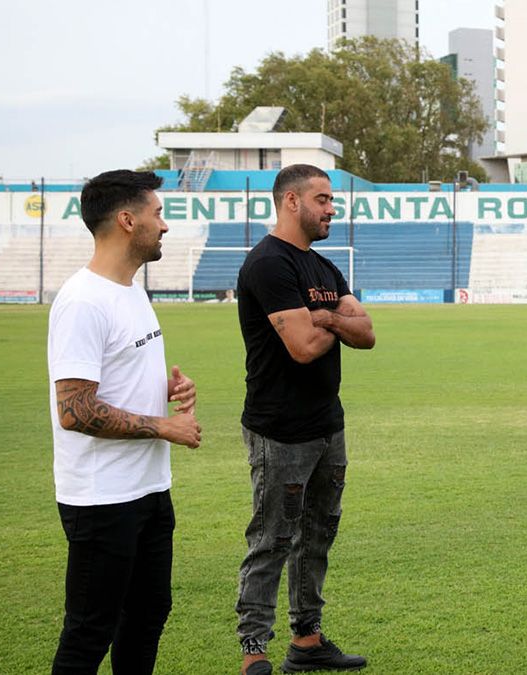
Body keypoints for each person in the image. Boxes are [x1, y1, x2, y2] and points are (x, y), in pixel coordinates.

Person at [47, 169, 202, 674]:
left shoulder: (131, 290)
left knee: (148, 613)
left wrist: (168, 391)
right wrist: (164, 427)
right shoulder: (82, 301)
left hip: (149, 488)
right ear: (127, 220)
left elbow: (116, 381)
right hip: (101, 498)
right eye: (158, 214)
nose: (165, 225)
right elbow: (75, 410)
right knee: (90, 631)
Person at [234, 164, 375, 675]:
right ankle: (254, 651)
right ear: (291, 201)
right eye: (323, 199)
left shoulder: (325, 268)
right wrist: (338, 323)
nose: (332, 209)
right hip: (280, 430)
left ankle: (307, 641)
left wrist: (328, 318)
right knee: (272, 539)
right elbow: (302, 347)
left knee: (318, 535)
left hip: (327, 425)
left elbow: (367, 333)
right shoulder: (268, 264)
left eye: (332, 200)